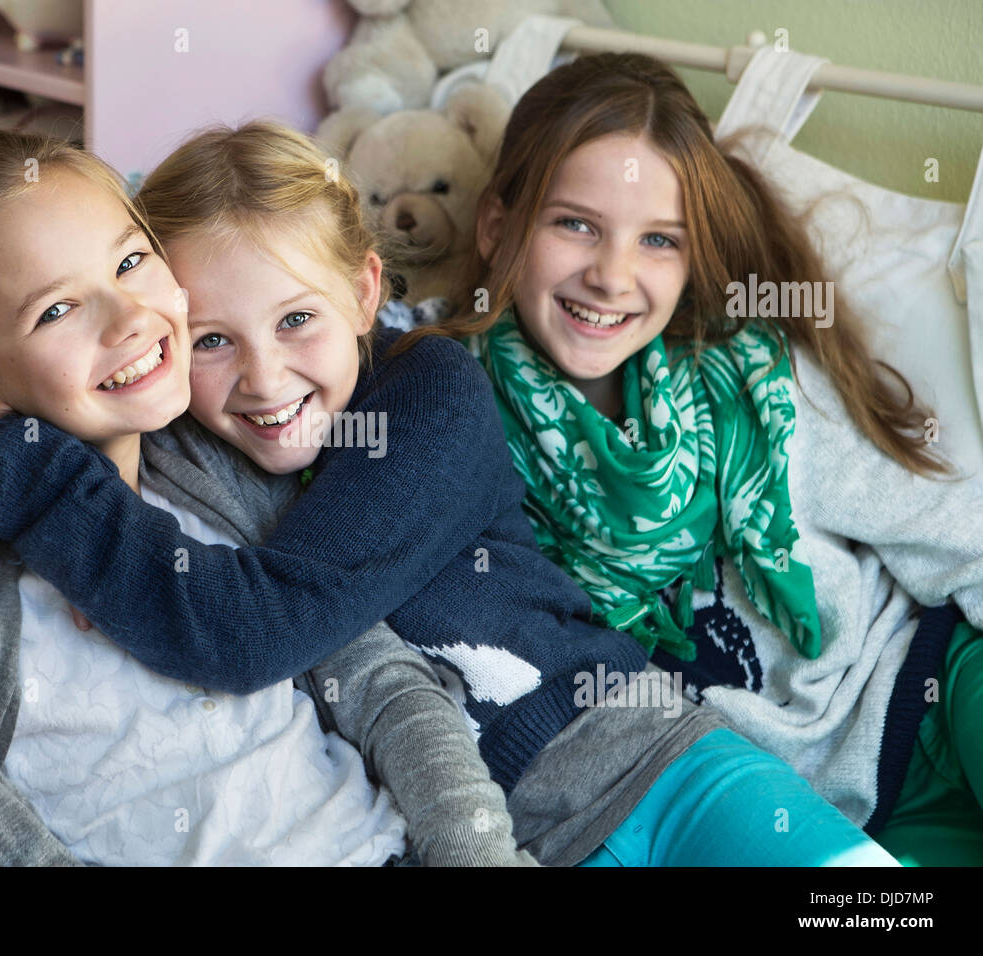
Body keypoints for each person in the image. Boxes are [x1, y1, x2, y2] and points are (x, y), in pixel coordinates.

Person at [0, 122, 899, 866]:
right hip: (484, 833)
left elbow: (248, 632)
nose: (263, 379)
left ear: (367, 292)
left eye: (298, 320)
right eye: (211, 337)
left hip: (648, 762)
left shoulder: (427, 397)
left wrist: (11, 450)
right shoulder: (184, 440)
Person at [0, 129, 533, 867]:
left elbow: (382, 685)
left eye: (130, 262)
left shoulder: (225, 473)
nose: (127, 319)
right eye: (56, 310)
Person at [413, 52, 983, 865]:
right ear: (499, 226)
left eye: (658, 241)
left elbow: (955, 532)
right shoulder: (449, 416)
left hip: (928, 695)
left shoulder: (753, 382)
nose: (612, 276)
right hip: (773, 807)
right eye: (575, 223)